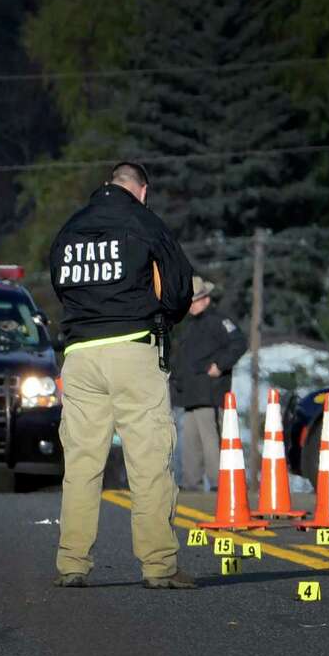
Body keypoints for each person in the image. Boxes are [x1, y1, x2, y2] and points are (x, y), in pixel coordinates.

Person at [49, 161, 195, 589]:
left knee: (82, 463)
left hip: (80, 355)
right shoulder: (144, 222)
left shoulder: (71, 228)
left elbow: (60, 284)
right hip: (133, 350)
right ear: (142, 191)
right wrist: (162, 317)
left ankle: (72, 563)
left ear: (107, 185)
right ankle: (158, 567)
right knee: (148, 462)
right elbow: (179, 288)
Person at [171, 275, 247, 491]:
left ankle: (218, 485)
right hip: (190, 394)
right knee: (190, 441)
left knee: (210, 440)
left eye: (194, 300)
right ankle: (191, 484)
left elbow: (239, 343)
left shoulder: (218, 321)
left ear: (206, 299)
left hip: (209, 392)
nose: (191, 305)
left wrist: (220, 365)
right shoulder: (190, 326)